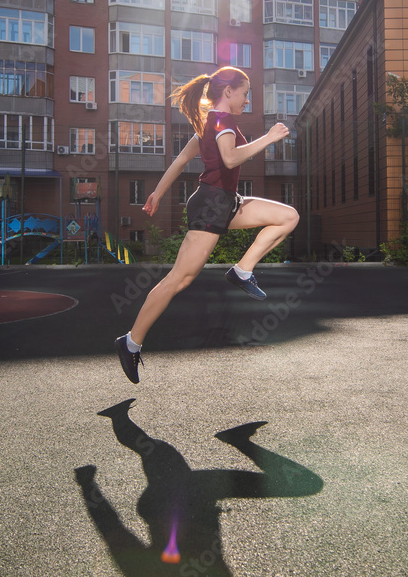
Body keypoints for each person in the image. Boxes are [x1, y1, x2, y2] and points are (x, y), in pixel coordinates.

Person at [115, 66, 298, 383]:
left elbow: (181, 160)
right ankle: (130, 343)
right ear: (228, 91)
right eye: (245, 93)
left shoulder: (211, 122)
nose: (247, 99)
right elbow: (229, 159)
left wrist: (157, 192)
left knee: (288, 217)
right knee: (178, 280)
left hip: (227, 200)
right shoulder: (222, 120)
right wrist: (269, 138)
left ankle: (242, 271)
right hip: (212, 204)